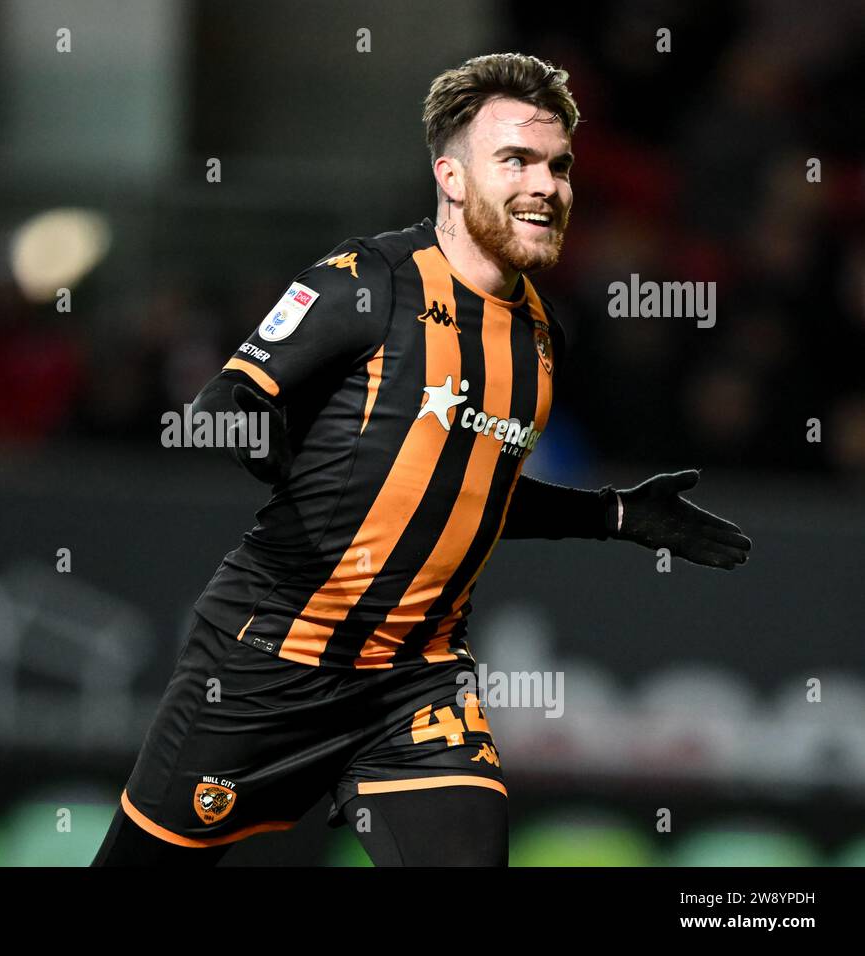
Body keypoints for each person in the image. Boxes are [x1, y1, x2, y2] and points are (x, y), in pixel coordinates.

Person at [94, 52, 751, 867]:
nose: (546, 185)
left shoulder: (543, 333)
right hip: (266, 662)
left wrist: (613, 514)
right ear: (452, 176)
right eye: (516, 160)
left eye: (558, 166)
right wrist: (303, 461)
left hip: (419, 680)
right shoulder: (367, 282)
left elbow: (464, 490)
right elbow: (220, 410)